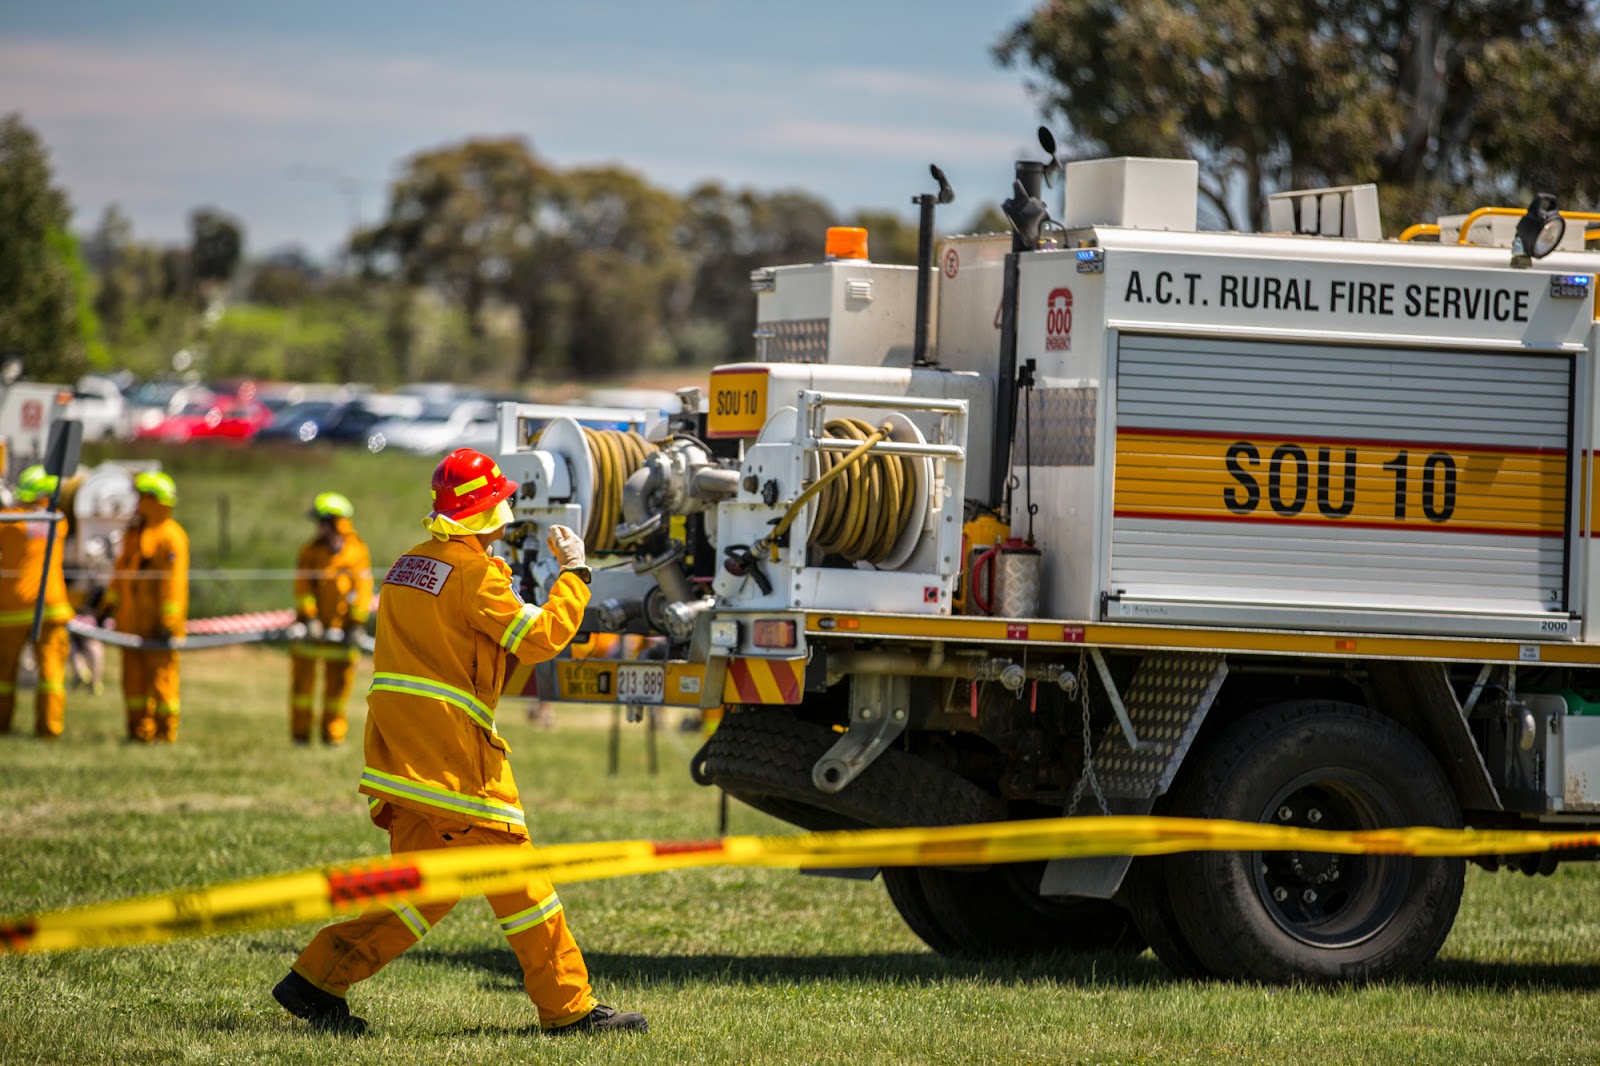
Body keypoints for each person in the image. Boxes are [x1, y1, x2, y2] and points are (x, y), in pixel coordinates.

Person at [272, 448, 647, 1037]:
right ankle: (568, 1011)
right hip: (455, 764)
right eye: (501, 503)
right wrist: (575, 575)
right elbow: (541, 638)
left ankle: (316, 981)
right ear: (488, 514)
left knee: (419, 892)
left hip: (400, 757)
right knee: (527, 888)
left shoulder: (405, 565)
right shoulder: (477, 574)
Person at [98, 471, 189, 743]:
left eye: (141, 497)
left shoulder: (171, 537)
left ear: (154, 500)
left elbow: (172, 585)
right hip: (131, 625)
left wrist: (169, 623)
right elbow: (121, 574)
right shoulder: (134, 533)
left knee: (163, 682)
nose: (136, 503)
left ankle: (165, 733)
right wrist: (108, 606)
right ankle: (139, 732)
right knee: (134, 684)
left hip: (159, 629)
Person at [289, 492, 373, 745]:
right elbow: (303, 587)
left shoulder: (357, 552)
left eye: (321, 522)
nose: (317, 527)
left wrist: (357, 623)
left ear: (335, 522)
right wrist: (309, 618)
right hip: (311, 631)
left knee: (338, 689)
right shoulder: (310, 552)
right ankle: (301, 735)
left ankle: (333, 736)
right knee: (302, 688)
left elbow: (363, 589)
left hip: (345, 632)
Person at [0, 466, 73, 738]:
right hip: (51, 607)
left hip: (11, 609)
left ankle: (2, 725)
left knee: (4, 677)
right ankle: (49, 729)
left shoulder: (10, 522)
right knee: (52, 674)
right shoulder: (58, 522)